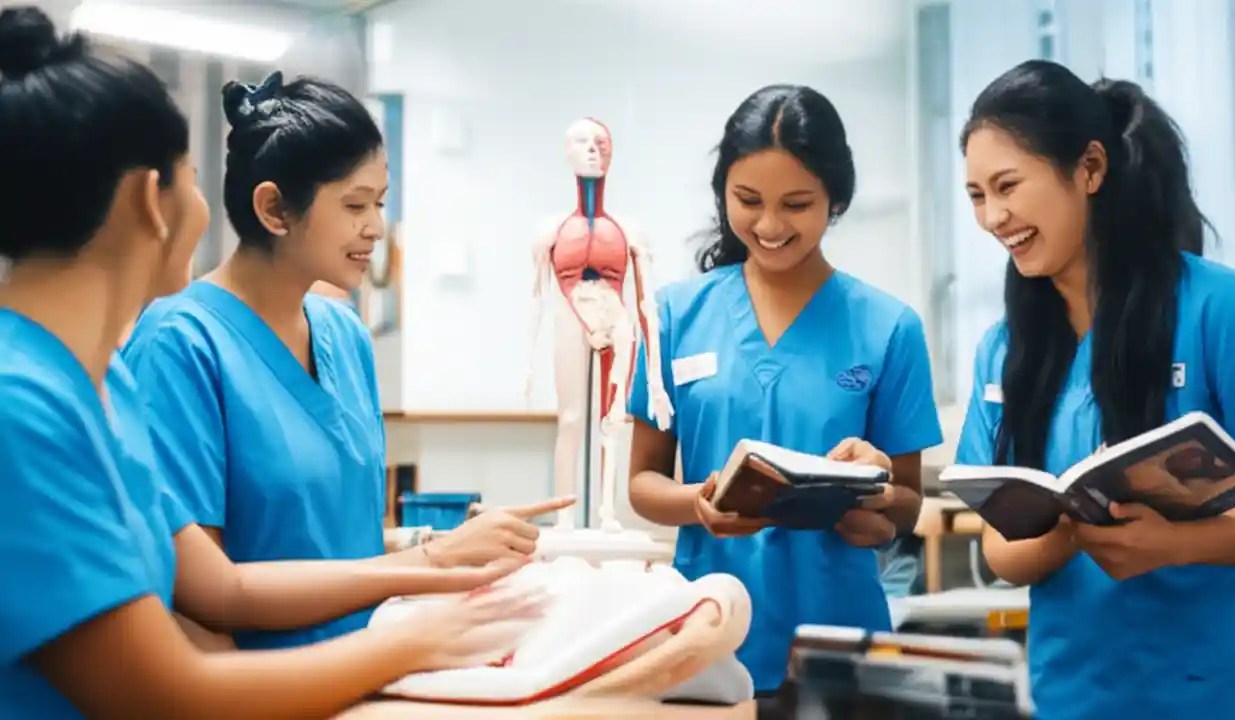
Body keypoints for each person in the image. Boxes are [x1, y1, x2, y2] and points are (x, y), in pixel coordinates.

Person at [0, 7, 543, 718]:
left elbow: (217, 589)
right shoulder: (23, 407)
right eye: (192, 179)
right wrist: (416, 637)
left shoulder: (104, 387)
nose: (205, 204)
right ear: (148, 200)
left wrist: (431, 566)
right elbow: (162, 686)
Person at [120, 69, 572, 651]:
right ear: (275, 209)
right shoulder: (179, 344)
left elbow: (329, 542)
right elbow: (192, 603)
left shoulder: (344, 335)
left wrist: (443, 544)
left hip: (368, 671)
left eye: (380, 202)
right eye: (356, 204)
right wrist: (431, 561)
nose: (377, 228)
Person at [956, 59, 1235, 719]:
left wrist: (1174, 544)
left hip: (1216, 694)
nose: (993, 217)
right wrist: (1068, 531)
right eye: (976, 195)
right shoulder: (1003, 349)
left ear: (1091, 169)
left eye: (1008, 185)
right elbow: (998, 549)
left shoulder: (1222, 309)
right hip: (1072, 695)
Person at [625, 84, 944, 702]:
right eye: (748, 200)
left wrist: (876, 509)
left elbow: (907, 504)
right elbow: (642, 484)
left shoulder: (888, 327)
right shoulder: (672, 316)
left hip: (838, 645)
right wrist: (700, 503)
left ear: (836, 199)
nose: (769, 226)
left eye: (796, 204)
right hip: (707, 638)